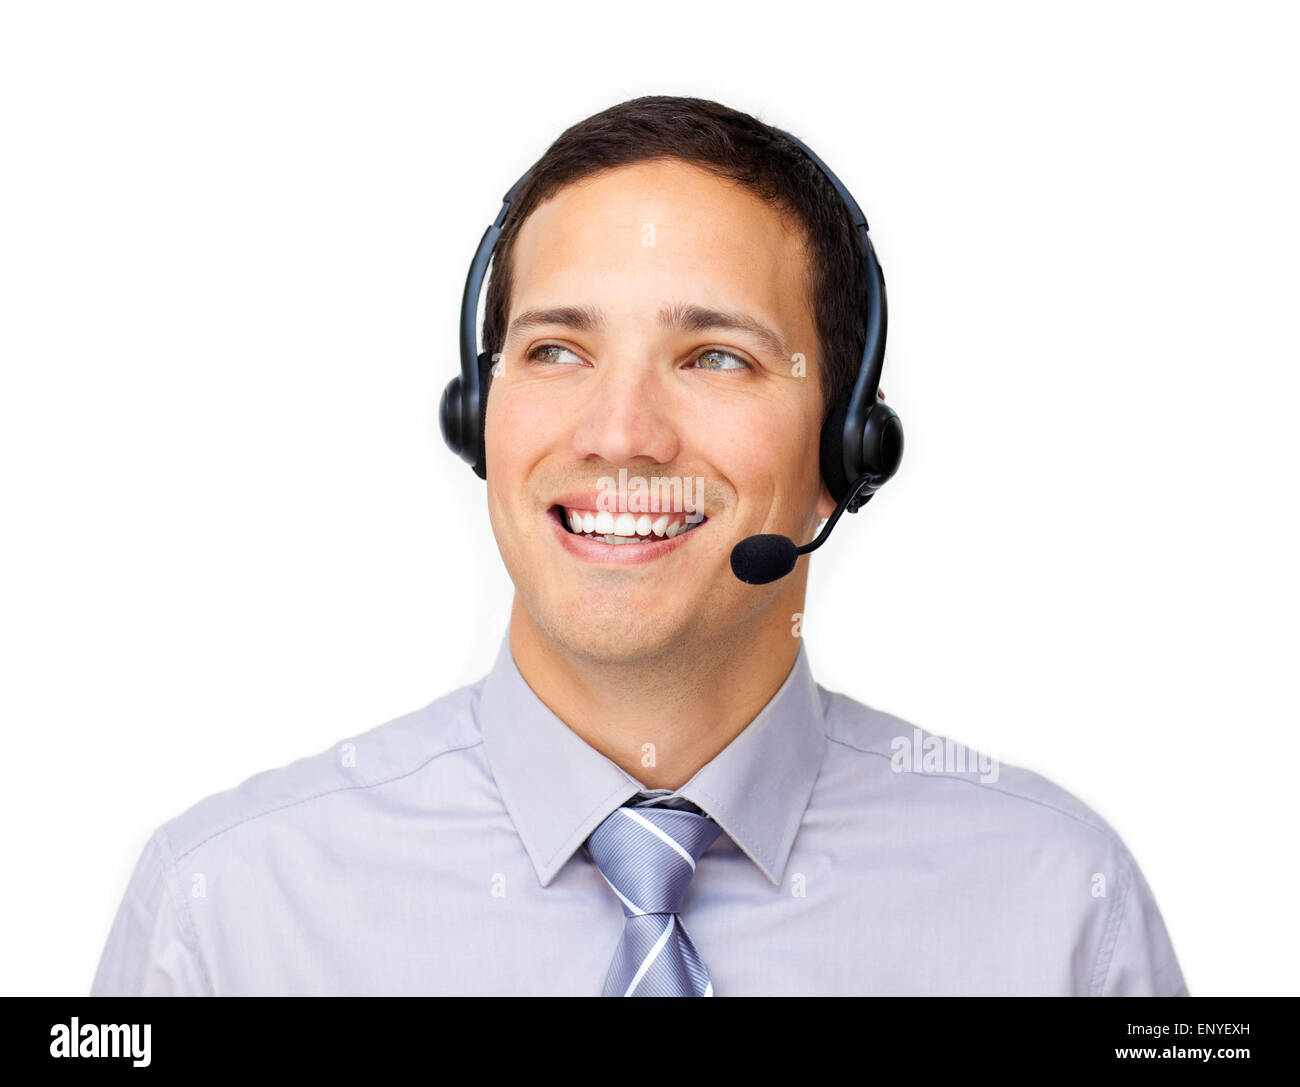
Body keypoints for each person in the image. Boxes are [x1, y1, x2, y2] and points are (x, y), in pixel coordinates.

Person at [91, 96, 1187, 996]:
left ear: (850, 444)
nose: (618, 433)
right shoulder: (222, 911)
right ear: (477, 415)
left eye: (714, 358)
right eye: (557, 349)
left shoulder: (1059, 907)